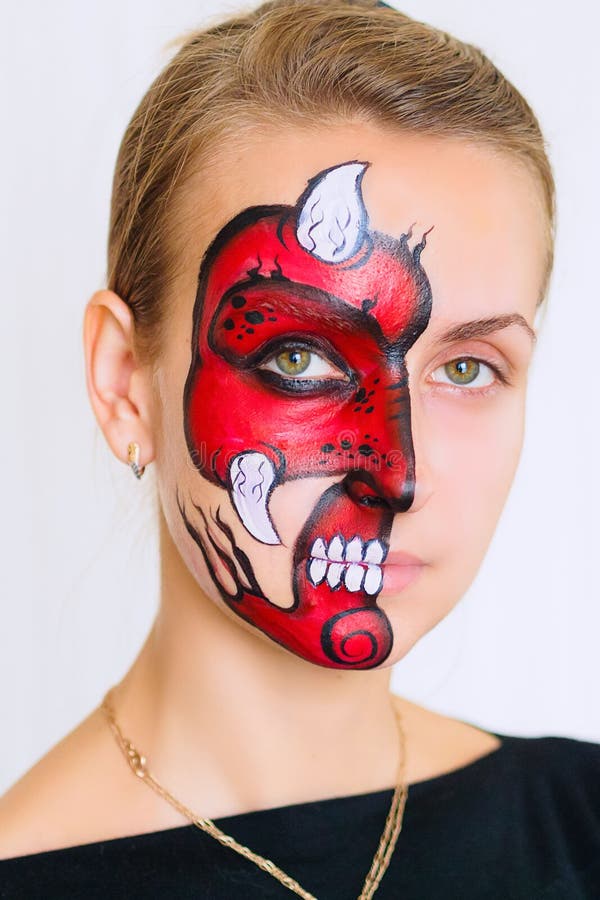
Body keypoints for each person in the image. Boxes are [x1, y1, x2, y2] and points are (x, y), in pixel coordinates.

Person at [1, 0, 598, 896]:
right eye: (301, 357)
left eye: (470, 369)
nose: (402, 476)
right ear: (126, 381)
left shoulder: (581, 825)